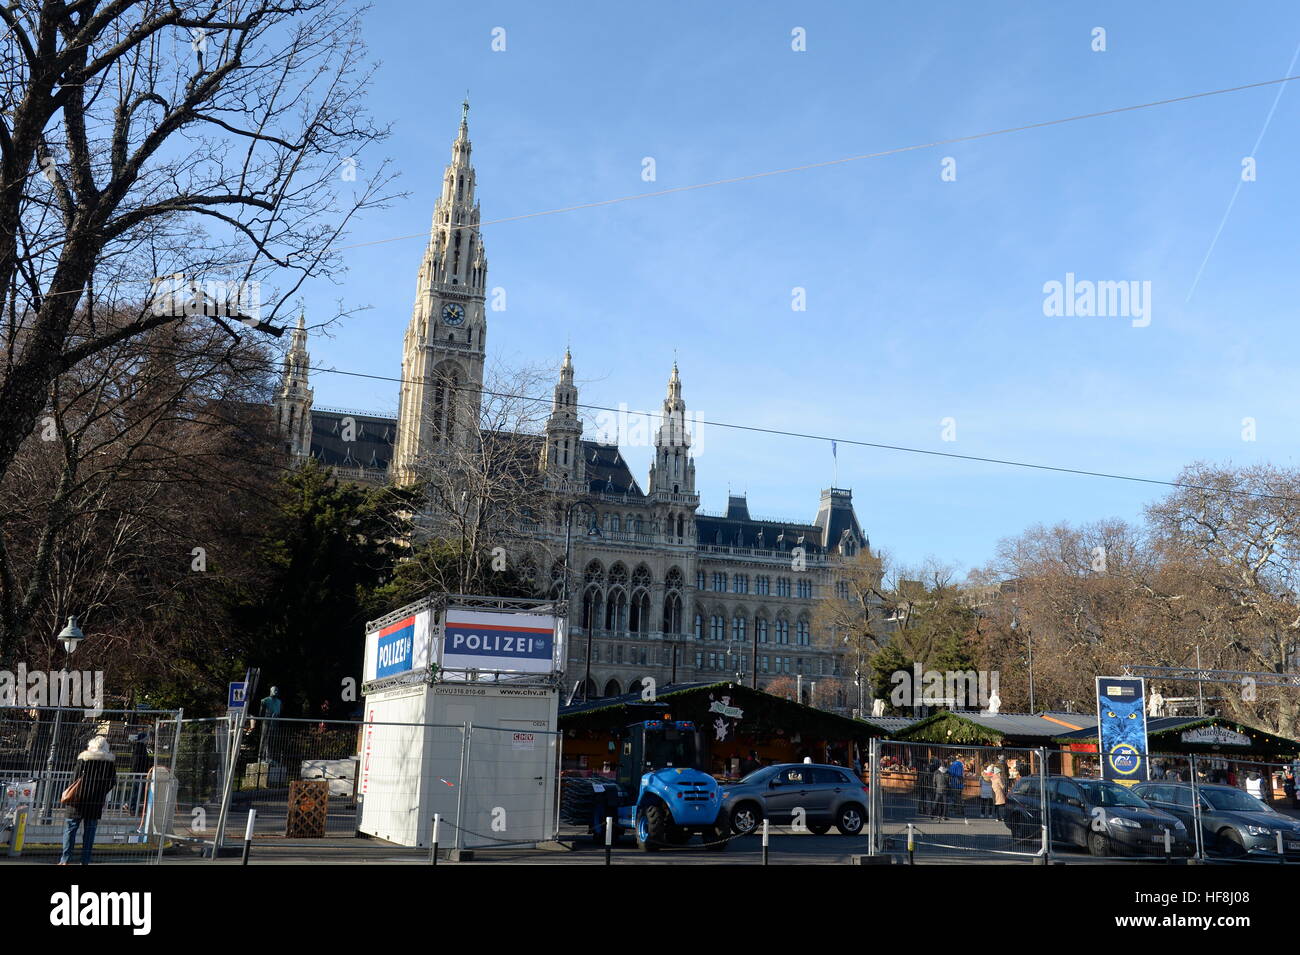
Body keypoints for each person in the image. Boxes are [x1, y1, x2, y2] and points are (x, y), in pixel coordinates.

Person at [60, 736, 117, 865]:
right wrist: (101, 792)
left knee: (70, 829)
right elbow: (112, 782)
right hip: (95, 801)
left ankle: (65, 859)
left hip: (77, 800)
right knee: (90, 832)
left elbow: (74, 778)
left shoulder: (83, 759)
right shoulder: (109, 763)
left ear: (91, 746)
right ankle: (85, 860)